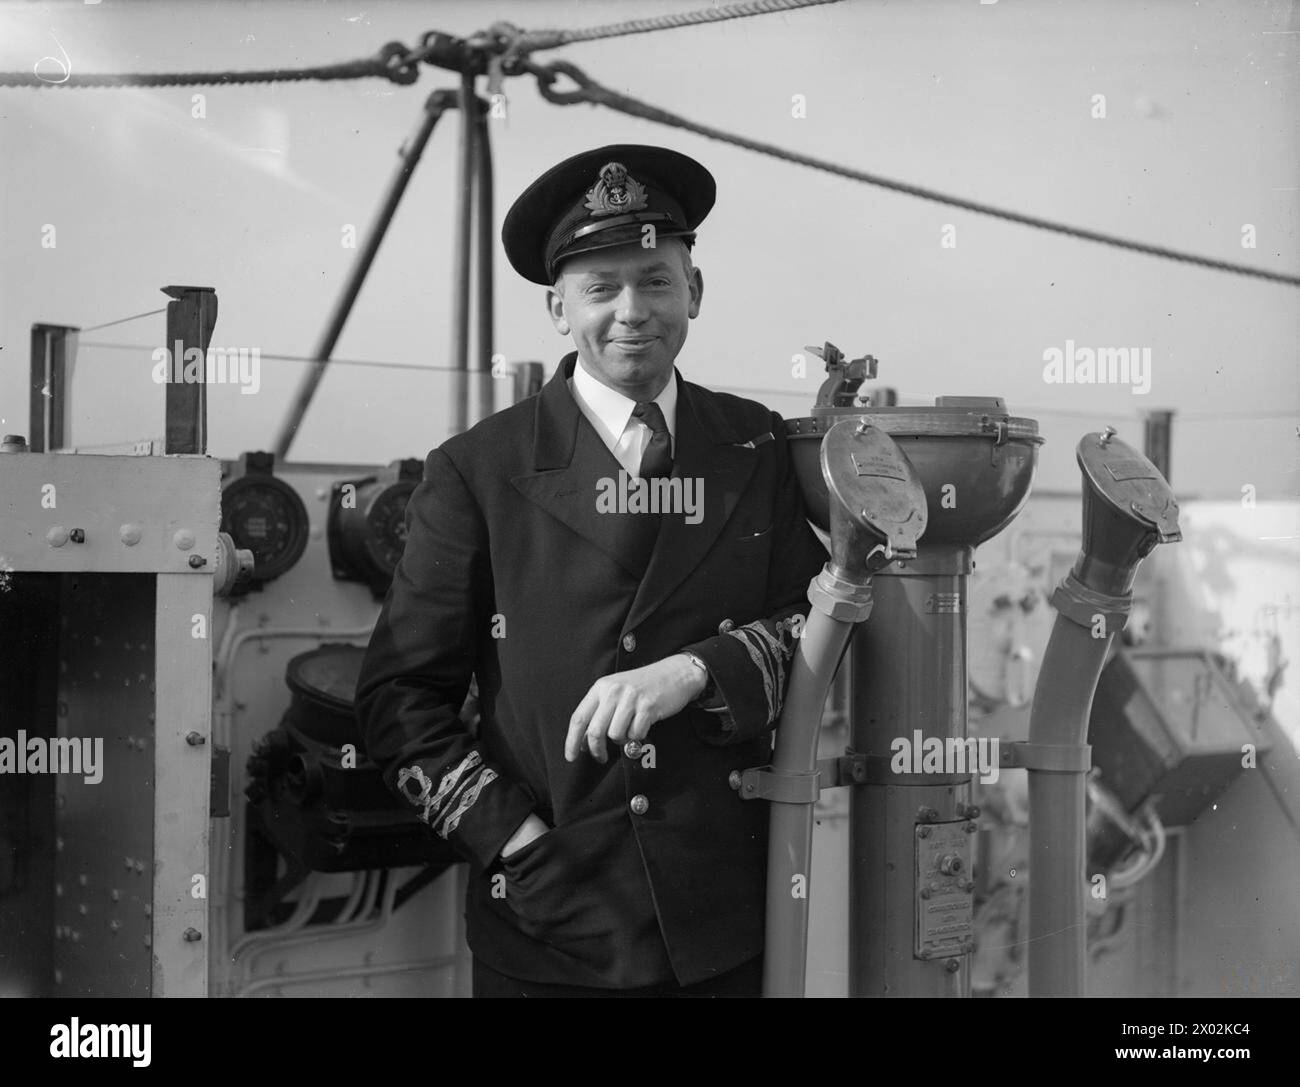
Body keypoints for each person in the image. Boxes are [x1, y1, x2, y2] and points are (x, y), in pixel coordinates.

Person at [355, 144, 827, 997]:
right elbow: (398, 703)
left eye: (655, 279)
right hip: (551, 927)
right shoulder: (477, 469)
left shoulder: (754, 443)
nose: (632, 310)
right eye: (601, 287)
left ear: (695, 290)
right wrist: (517, 844)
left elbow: (817, 624)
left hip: (723, 919)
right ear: (557, 307)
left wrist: (694, 671)